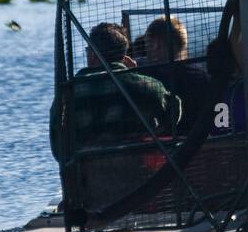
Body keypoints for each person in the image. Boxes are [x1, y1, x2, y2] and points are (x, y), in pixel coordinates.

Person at [50, 22, 181, 159]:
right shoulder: (148, 86)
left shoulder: (69, 92)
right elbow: (175, 106)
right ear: (124, 57)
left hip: (87, 172)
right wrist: (158, 132)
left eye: (88, 50)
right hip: (139, 167)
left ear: (93, 55)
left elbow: (57, 143)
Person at [140, 15, 211, 131]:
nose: (146, 48)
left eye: (147, 43)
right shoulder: (203, 78)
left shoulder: (147, 78)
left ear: (155, 43)